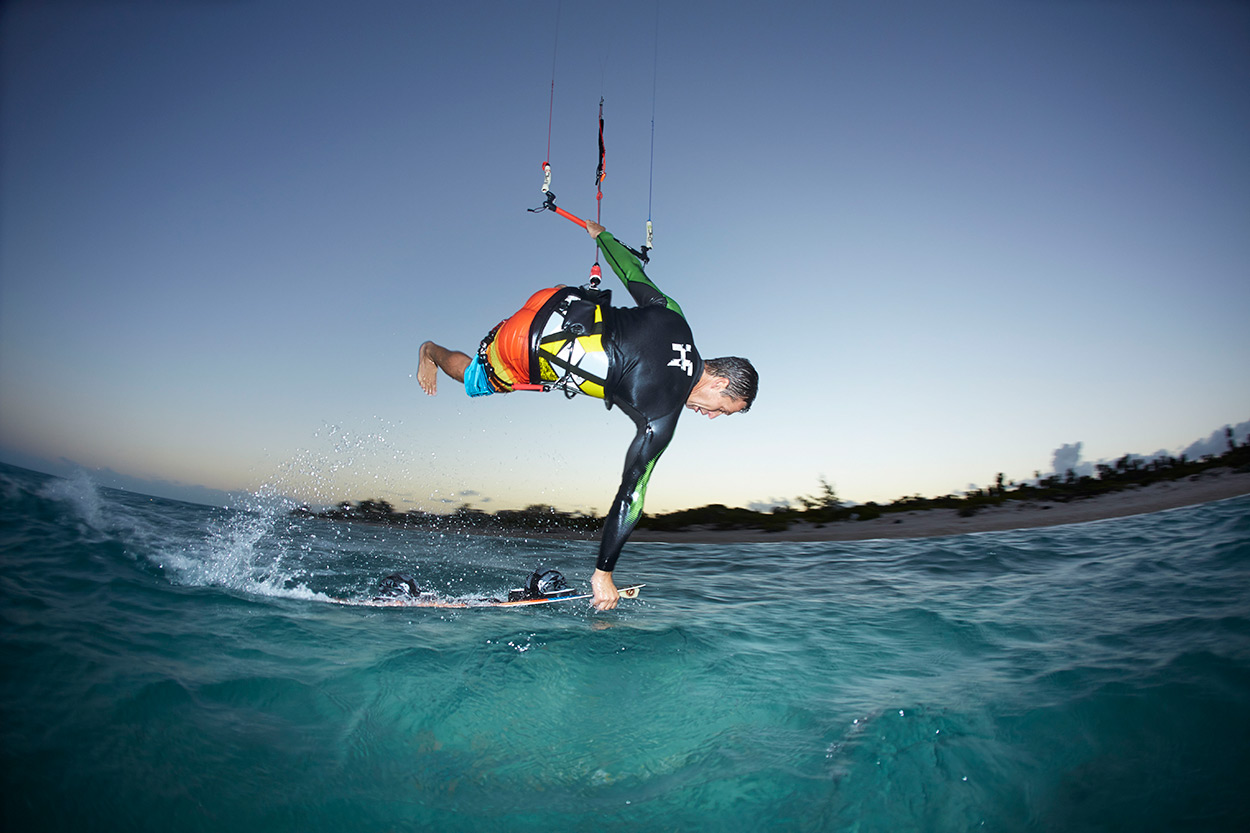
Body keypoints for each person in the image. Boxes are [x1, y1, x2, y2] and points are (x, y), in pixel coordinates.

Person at [417, 221, 758, 610]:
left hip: (553, 300)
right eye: (723, 411)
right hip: (526, 348)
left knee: (501, 355)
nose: (711, 416)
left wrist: (603, 236)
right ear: (718, 385)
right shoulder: (663, 413)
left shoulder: (676, 317)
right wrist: (604, 573)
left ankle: (431, 349)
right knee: (476, 378)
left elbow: (632, 272)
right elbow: (632, 495)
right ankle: (431, 351)